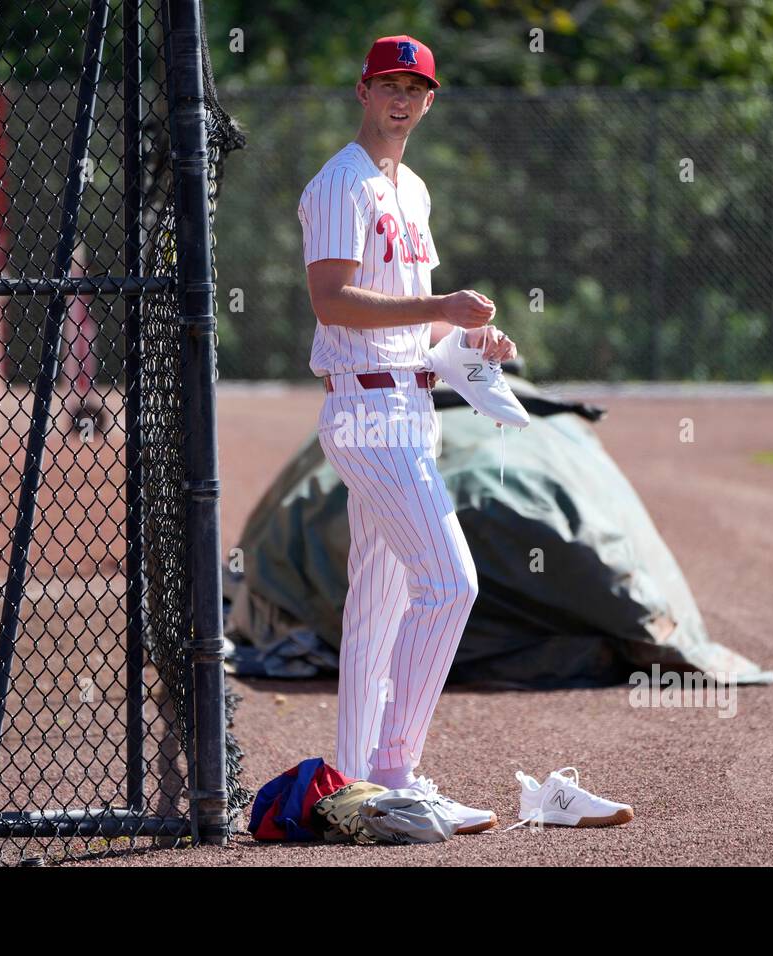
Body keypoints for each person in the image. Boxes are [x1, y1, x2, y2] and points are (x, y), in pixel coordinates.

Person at [297, 35, 517, 833]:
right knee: (451, 584)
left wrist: (471, 345)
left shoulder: (412, 189)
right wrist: (439, 309)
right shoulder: (339, 184)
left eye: (414, 87)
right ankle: (397, 772)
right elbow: (332, 300)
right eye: (387, 83)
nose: (400, 97)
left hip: (408, 404)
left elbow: (416, 335)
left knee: (379, 606)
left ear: (430, 100)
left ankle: (352, 789)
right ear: (362, 92)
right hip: (365, 410)